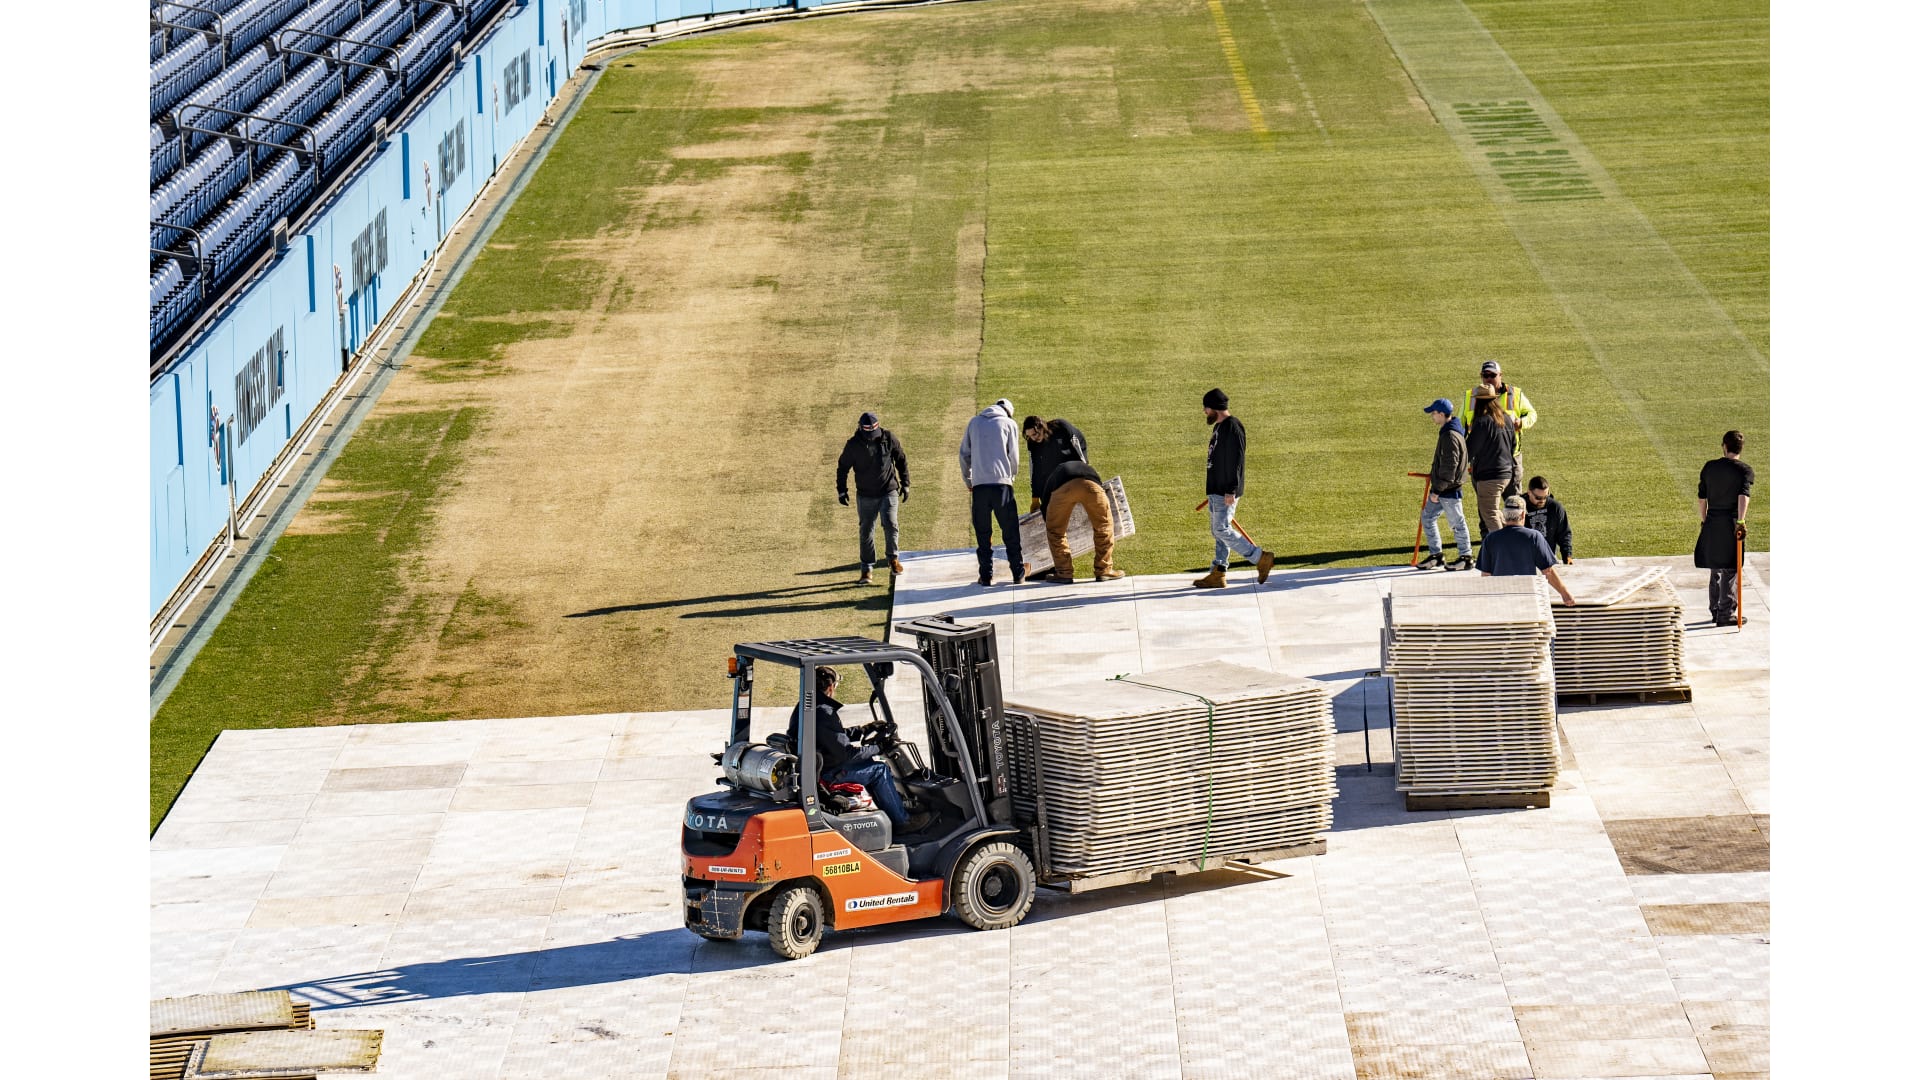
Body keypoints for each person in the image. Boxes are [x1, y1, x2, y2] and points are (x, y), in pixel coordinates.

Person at [788, 666, 911, 830]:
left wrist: (864, 730)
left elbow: (832, 736)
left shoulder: (806, 707)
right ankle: (902, 822)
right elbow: (847, 754)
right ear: (830, 687)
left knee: (869, 760)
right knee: (879, 769)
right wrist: (878, 747)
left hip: (819, 766)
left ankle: (893, 811)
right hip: (829, 773)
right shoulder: (824, 712)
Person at [1194, 388, 1276, 589]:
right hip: (1216, 490)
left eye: (1206, 408)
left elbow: (1237, 459)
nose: (1205, 412)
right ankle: (1218, 572)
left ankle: (1260, 558)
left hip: (1225, 490)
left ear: (1214, 408)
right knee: (1219, 531)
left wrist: (1231, 489)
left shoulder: (1233, 427)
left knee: (1221, 528)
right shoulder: (1219, 427)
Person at [835, 411, 910, 586]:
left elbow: (901, 459)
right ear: (860, 429)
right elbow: (842, 467)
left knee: (891, 524)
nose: (871, 438)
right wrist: (841, 490)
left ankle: (893, 559)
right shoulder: (853, 445)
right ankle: (866, 569)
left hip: (888, 490)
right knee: (866, 530)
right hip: (865, 495)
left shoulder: (888, 438)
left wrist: (905, 483)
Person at [959, 398, 1025, 586]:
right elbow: (1014, 457)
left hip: (979, 487)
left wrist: (969, 480)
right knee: (1010, 532)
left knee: (983, 533)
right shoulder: (1009, 424)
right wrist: (1010, 478)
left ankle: (986, 575)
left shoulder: (974, 422)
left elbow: (964, 455)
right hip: (1002, 486)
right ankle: (1018, 574)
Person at [1030, 460, 1126, 584]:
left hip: (1062, 487)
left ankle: (1064, 573)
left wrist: (1048, 520)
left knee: (1056, 532)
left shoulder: (1053, 477)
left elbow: (1046, 506)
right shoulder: (1088, 469)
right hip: (1091, 484)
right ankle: (1104, 570)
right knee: (1104, 527)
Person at [1693, 430, 1754, 627]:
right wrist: (1741, 521)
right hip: (1731, 522)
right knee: (1731, 566)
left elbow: (1702, 498)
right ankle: (1726, 613)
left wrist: (1704, 520)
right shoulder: (1744, 470)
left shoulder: (1710, 467)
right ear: (1740, 449)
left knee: (1716, 566)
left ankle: (1716, 610)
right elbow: (1743, 496)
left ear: (1724, 446)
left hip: (1712, 521)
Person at [1479, 496, 1575, 605]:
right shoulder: (1533, 537)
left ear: (1503, 515)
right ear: (1523, 515)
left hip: (1500, 599)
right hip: (1526, 598)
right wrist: (1565, 593)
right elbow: (1548, 571)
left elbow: (1486, 575)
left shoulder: (1490, 539)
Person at [1463, 360, 1538, 497]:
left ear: (1500, 375)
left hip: (1510, 458)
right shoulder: (1471, 396)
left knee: (1514, 502)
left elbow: (1532, 414)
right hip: (1481, 460)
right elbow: (1461, 425)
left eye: (1492, 375)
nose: (1489, 379)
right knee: (1486, 505)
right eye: (1485, 375)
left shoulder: (1514, 394)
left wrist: (1521, 422)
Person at [1418, 398, 1473, 571]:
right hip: (1445, 488)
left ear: (1442, 414)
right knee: (1427, 518)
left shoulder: (1449, 436)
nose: (1432, 417)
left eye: (1434, 414)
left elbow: (1450, 467)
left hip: (1447, 490)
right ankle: (1436, 556)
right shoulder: (1450, 431)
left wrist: (1436, 490)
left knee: (1457, 524)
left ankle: (1466, 557)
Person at [1465, 384, 1516, 539]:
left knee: (1490, 513)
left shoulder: (1482, 422)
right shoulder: (1506, 418)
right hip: (1507, 473)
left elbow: (1470, 449)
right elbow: (1513, 444)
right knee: (1496, 511)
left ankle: (1503, 550)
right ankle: (1509, 543)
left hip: (1489, 476)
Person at [1023, 416, 1089, 512]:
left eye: (1035, 434)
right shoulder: (1032, 442)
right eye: (1029, 436)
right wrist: (1035, 497)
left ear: (1042, 427)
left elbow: (1078, 450)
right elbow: (1035, 469)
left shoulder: (1062, 427)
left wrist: (1085, 473)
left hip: (1071, 457)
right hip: (1053, 459)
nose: (1034, 438)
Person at [1523, 476, 1573, 566]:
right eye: (1538, 498)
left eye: (1545, 497)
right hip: (1524, 558)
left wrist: (1567, 555)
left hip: (1548, 558)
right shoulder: (1518, 507)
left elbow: (1564, 534)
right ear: (1529, 492)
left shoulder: (1555, 508)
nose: (1542, 501)